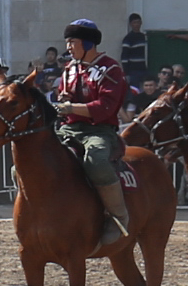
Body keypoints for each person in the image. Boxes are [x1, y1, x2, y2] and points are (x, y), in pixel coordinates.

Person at [52, 17, 133, 253]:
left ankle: (118, 215)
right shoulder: (69, 69)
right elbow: (63, 97)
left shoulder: (111, 69)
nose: (68, 47)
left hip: (99, 130)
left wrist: (71, 108)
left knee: (95, 159)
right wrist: (64, 102)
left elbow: (105, 107)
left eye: (72, 42)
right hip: (68, 128)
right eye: (67, 42)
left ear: (88, 44)